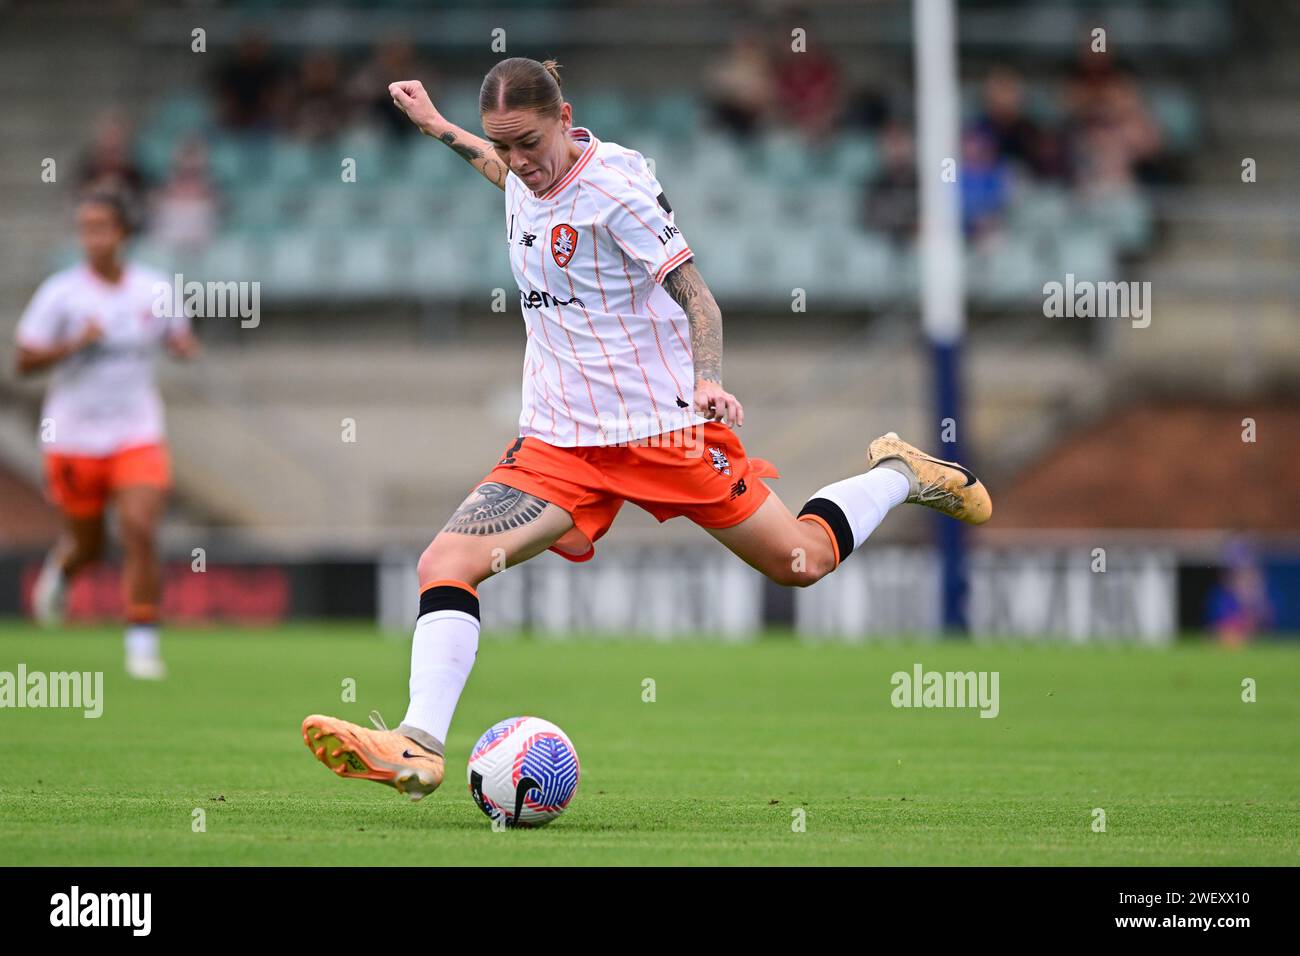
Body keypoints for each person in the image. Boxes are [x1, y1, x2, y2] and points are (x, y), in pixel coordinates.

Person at [301, 58, 991, 801]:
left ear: (565, 119)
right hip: (559, 440)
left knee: (800, 562)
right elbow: (506, 185)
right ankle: (419, 745)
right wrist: (439, 129)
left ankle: (899, 473)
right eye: (504, 146)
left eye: (527, 143)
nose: (518, 162)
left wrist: (708, 379)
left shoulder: (616, 192)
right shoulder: (521, 171)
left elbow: (699, 298)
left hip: (661, 431)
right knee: (444, 562)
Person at [16, 192, 198, 679]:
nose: (92, 238)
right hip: (72, 437)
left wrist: (182, 346)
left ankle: (142, 646)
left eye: (101, 227)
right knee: (89, 544)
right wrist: (74, 345)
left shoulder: (154, 288)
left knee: (139, 527)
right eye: (85, 228)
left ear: (123, 233)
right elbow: (22, 361)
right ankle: (64, 568)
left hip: (135, 431)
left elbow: (179, 338)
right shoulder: (61, 293)